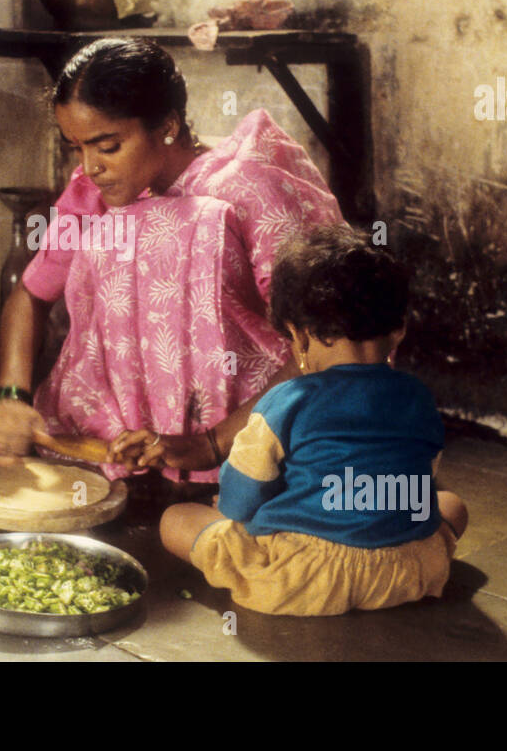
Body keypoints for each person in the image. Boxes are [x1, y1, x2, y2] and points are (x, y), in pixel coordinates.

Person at [0, 37, 343, 482]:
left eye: (107, 146)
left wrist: (213, 443)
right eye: (78, 148)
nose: (91, 166)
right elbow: (31, 294)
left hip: (254, 437)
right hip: (132, 451)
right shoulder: (92, 192)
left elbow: (327, 341)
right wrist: (11, 394)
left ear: (167, 126)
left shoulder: (251, 188)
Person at [160, 224, 469, 615]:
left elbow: (238, 502)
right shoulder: (419, 397)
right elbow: (422, 476)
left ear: (301, 337)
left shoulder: (285, 402)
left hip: (302, 579)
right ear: (399, 329)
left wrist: (241, 509)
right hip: (406, 573)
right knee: (452, 504)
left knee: (177, 519)